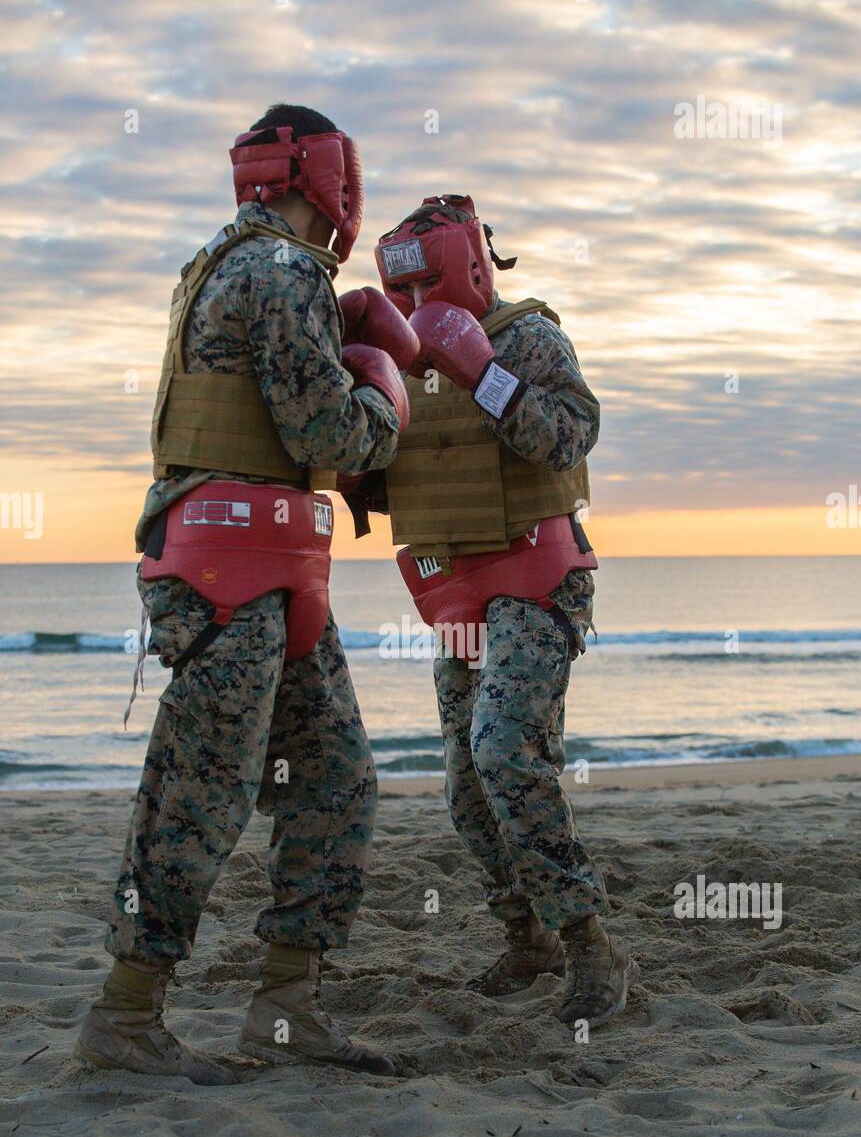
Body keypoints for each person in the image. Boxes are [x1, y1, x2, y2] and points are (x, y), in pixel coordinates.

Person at [76, 105, 418, 1084]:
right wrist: (383, 391)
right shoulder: (277, 273)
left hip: (270, 568)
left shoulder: (224, 263)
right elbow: (328, 439)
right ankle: (125, 1014)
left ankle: (288, 1009)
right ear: (324, 180)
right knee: (198, 792)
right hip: (232, 574)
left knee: (336, 775)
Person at [347, 194, 637, 1029]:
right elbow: (379, 466)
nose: (413, 306)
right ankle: (527, 938)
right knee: (466, 784)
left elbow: (570, 437)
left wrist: (485, 374)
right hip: (451, 582)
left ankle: (592, 947)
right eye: (400, 291)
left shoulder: (529, 337)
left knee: (506, 750)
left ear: (469, 264)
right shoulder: (397, 355)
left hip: (536, 572)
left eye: (423, 286)